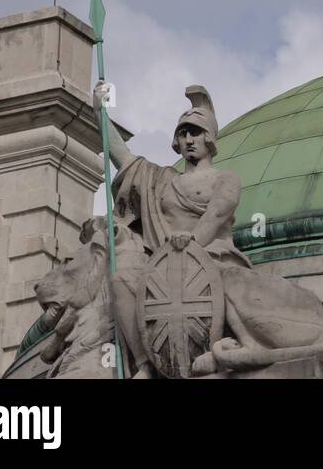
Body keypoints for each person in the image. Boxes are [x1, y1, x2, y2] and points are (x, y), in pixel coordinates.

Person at [93, 81, 248, 378]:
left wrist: (189, 245)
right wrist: (100, 111)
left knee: (229, 286)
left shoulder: (225, 178)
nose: (189, 139)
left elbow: (216, 215)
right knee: (122, 278)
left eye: (196, 132)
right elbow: (122, 157)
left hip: (211, 258)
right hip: (164, 266)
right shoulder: (161, 180)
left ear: (210, 139)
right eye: (183, 133)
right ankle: (145, 363)